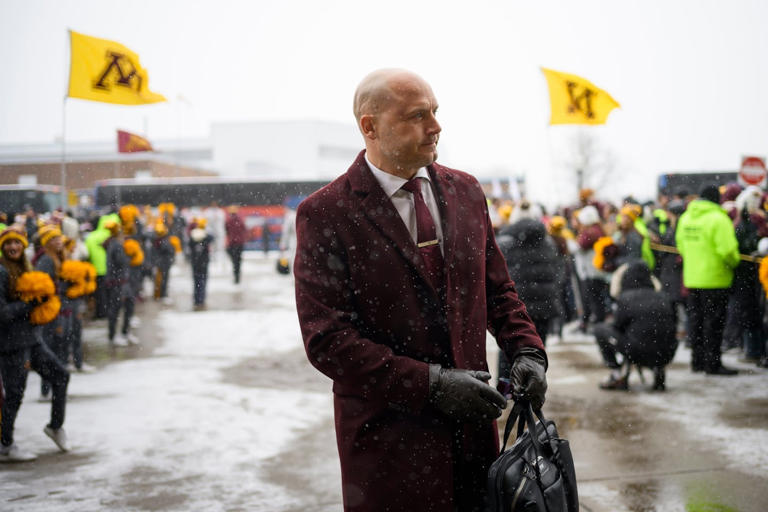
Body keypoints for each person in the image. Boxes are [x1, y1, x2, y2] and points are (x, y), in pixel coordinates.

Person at [294, 69, 547, 512]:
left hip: (474, 441)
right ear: (369, 126)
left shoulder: (466, 191)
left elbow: (497, 289)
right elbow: (328, 341)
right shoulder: (326, 213)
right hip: (389, 444)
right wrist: (430, 384)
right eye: (416, 115)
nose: (435, 126)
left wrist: (527, 350)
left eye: (435, 112)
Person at [0, 226, 70, 460]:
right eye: (8, 243)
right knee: (14, 394)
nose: (13, 247)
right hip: (11, 344)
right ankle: (5, 445)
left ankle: (55, 426)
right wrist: (32, 303)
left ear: (23, 246)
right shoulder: (1, 272)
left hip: (30, 338)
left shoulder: (25, 268)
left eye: (17, 243)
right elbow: (3, 313)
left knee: (61, 375)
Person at [676, 185, 740, 375]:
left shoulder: (686, 217)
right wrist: (734, 263)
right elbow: (728, 250)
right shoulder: (719, 219)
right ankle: (713, 364)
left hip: (692, 278)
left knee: (696, 322)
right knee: (714, 324)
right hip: (715, 279)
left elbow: (681, 245)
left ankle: (697, 361)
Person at [593, 260, 677, 391]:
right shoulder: (663, 297)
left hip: (637, 351)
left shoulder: (625, 298)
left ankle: (616, 372)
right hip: (666, 352)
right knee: (649, 332)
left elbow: (617, 326)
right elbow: (673, 325)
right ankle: (658, 368)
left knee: (599, 329)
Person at [188, 217, 214, 310]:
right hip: (203, 262)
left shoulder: (193, 235)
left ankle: (197, 299)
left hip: (195, 262)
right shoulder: (206, 236)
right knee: (202, 281)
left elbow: (190, 245)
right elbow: (211, 239)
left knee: (196, 281)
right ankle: (201, 299)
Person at [225, 207, 246, 284]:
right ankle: (237, 276)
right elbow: (244, 230)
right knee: (238, 261)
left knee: (234, 261)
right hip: (239, 244)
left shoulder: (229, 221)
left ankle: (236, 275)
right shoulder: (240, 221)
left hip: (232, 244)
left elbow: (226, 230)